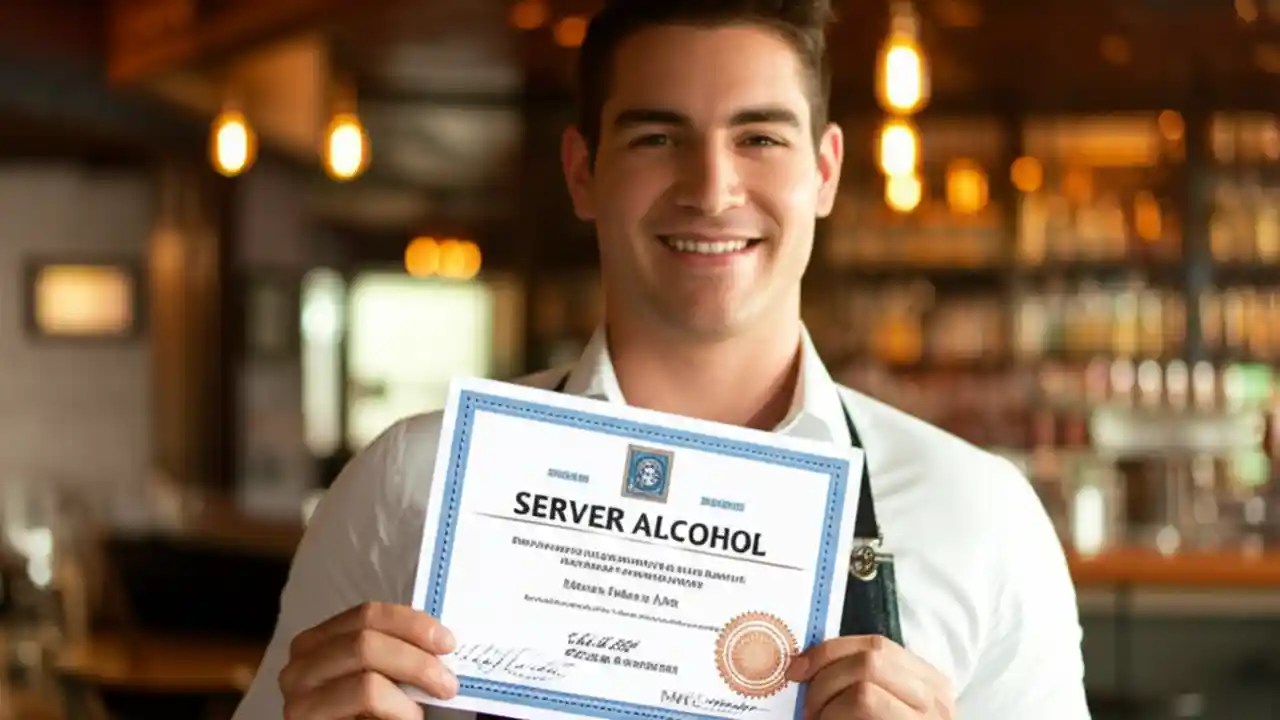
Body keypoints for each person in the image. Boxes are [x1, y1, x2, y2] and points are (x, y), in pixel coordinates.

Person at [232, 1, 1090, 718]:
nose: (712, 189)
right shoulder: (405, 486)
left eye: (759, 139)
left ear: (825, 173)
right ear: (582, 171)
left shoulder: (982, 518)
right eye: (656, 139)